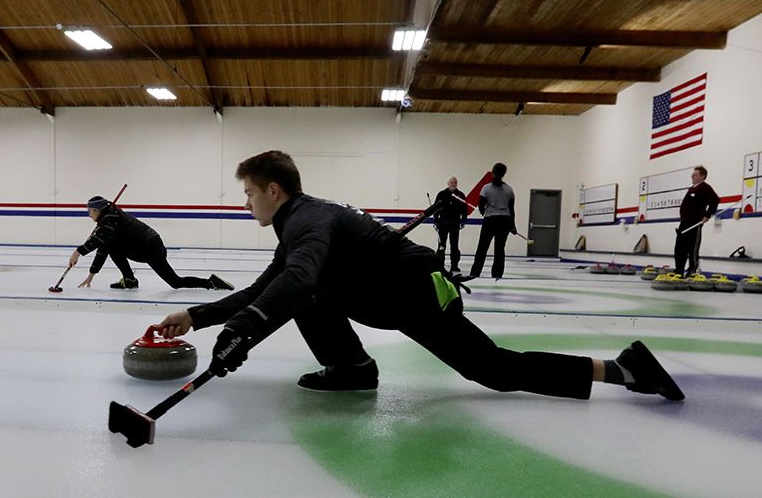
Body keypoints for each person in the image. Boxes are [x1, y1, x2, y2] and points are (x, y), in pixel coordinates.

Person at [157, 150, 684, 404]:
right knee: (302, 294)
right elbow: (272, 287)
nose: (246, 202)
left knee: (493, 370)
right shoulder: (300, 221)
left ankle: (623, 370)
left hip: (416, 296)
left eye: (248, 192)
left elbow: (291, 284)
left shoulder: (308, 220)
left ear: (274, 190)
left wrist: (242, 329)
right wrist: (198, 317)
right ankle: (352, 367)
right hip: (389, 296)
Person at [68, 196, 234, 291]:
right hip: (152, 245)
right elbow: (102, 248)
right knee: (176, 282)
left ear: (97, 210)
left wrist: (78, 252)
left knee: (175, 282)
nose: (89, 215)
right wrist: (91, 276)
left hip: (149, 248)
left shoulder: (110, 220)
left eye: (90, 211)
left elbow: (98, 241)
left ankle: (130, 280)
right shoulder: (110, 218)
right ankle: (211, 282)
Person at [469, 163, 517, 280]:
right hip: (505, 221)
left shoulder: (486, 188)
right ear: (504, 174)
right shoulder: (509, 189)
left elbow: (481, 206)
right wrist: (513, 226)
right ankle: (497, 275)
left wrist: (482, 210)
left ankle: (475, 273)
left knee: (482, 248)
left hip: (490, 220)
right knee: (500, 249)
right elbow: (511, 210)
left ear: (493, 172)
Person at [675, 166, 719, 277]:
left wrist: (707, 215)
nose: (692, 176)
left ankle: (692, 271)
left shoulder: (705, 188)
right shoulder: (691, 189)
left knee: (692, 249)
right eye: (692, 174)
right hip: (684, 223)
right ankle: (679, 271)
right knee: (679, 248)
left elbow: (715, 200)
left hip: (695, 223)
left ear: (702, 176)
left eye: (695, 174)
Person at [433, 177, 467, 274]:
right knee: (441, 245)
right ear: (448, 183)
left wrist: (463, 220)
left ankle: (454, 266)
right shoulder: (441, 194)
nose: (453, 184)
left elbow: (464, 209)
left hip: (455, 224)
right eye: (452, 182)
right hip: (442, 223)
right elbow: (435, 207)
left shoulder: (461, 195)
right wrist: (435, 220)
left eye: (455, 182)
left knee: (454, 246)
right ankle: (439, 266)